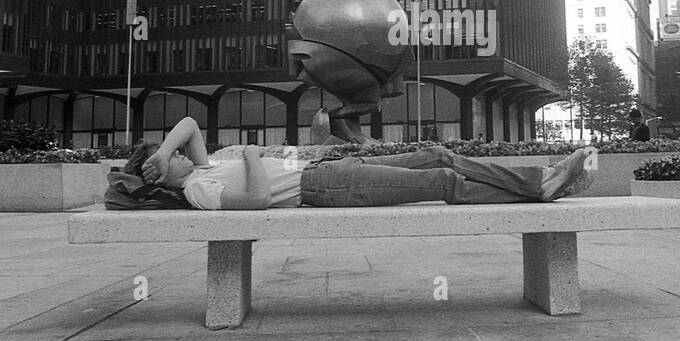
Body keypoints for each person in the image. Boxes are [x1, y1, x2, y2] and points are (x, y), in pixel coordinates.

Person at [122, 117, 595, 210]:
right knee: (444, 180)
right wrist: (250, 156)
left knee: (439, 153)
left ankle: (542, 183)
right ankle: (543, 185)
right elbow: (260, 201)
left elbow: (187, 122)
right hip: (324, 189)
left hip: (328, 175)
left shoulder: (199, 169)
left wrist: (163, 153)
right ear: (160, 176)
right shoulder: (198, 191)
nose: (182, 153)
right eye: (173, 158)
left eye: (178, 151)